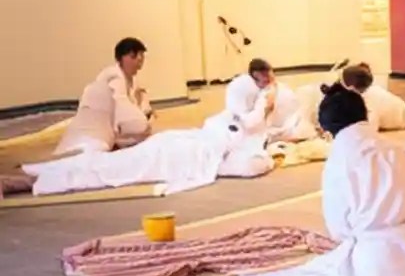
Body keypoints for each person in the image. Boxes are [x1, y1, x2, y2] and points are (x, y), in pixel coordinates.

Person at [232, 84, 405, 276]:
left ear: (327, 132)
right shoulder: (397, 150)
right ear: (366, 115)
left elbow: (339, 228)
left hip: (382, 267)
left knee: (323, 273)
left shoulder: (340, 161)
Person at [21, 109, 274, 196]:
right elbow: (244, 164)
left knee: (115, 167)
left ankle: (30, 180)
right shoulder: (234, 119)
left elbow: (246, 166)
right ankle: (34, 178)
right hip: (177, 149)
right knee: (116, 166)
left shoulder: (254, 143)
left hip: (176, 151)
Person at [54, 38, 154, 156]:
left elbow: (145, 108)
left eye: (141, 56)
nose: (139, 60)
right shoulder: (112, 77)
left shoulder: (134, 82)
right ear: (121, 58)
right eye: (134, 56)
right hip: (94, 133)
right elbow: (129, 118)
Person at [224, 58, 313, 142]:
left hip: (290, 126)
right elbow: (247, 123)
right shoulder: (246, 92)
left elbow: (294, 110)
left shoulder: (278, 89)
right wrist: (265, 109)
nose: (270, 83)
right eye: (265, 81)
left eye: (271, 78)